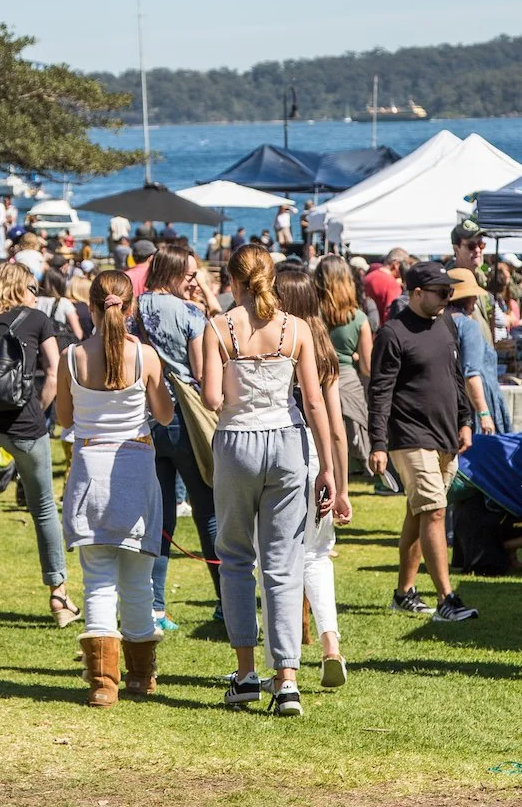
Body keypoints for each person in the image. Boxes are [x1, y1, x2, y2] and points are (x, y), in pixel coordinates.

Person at [200, 245, 337, 717]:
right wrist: (330, 468)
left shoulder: (219, 328)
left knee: (236, 558)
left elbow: (213, 396)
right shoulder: (295, 328)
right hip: (289, 442)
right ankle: (288, 681)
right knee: (284, 562)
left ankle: (245, 675)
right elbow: (315, 402)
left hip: (238, 441)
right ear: (272, 278)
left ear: (231, 281)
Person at [55, 270, 174, 706]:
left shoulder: (72, 357)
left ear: (92, 308)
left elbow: (65, 420)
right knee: (139, 580)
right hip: (135, 467)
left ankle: (104, 682)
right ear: (131, 307)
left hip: (90, 469)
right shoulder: (145, 356)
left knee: (98, 580)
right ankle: (141, 676)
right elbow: (163, 416)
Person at [0, 261, 77, 631]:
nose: (36, 293)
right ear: (21, 288)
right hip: (23, 423)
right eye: (32, 287)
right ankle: (58, 595)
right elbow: (55, 369)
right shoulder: (37, 321)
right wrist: (40, 406)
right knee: (42, 509)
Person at [367, 260, 479, 622]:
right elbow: (380, 392)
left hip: (446, 433)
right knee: (433, 510)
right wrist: (378, 443)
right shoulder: (392, 333)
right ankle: (447, 599)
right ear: (416, 293)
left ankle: (404, 593)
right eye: (442, 292)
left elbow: (455, 376)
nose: (449, 298)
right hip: (409, 435)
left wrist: (466, 420)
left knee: (419, 512)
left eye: (450, 291)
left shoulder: (445, 323)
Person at [132, 246, 221, 627]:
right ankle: (226, 598)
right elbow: (201, 372)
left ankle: (154, 604)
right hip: (185, 418)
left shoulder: (135, 308)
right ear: (171, 273)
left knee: (160, 515)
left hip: (145, 415)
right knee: (208, 509)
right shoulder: (190, 313)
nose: (194, 281)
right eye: (189, 275)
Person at [272, 267, 352, 688]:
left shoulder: (278, 340)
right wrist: (339, 482)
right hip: (318, 458)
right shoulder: (323, 346)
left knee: (277, 558)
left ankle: (283, 662)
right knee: (318, 557)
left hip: (283, 450)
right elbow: (337, 428)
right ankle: (331, 644)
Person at [450, 428, 522, 574]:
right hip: (464, 481)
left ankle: (504, 556)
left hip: (463, 476)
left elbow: (513, 483)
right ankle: (498, 550)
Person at [315, 255, 373, 469]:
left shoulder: (311, 316)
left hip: (317, 378)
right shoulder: (358, 318)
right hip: (348, 379)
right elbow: (367, 367)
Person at [445, 267, 506, 433]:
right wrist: (484, 413)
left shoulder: (440, 322)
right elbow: (471, 374)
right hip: (472, 403)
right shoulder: (468, 325)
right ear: (469, 298)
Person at [364, 249, 408, 326]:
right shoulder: (392, 284)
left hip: (367, 329)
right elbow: (392, 314)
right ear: (396, 264)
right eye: (405, 265)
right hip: (382, 331)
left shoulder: (368, 277)